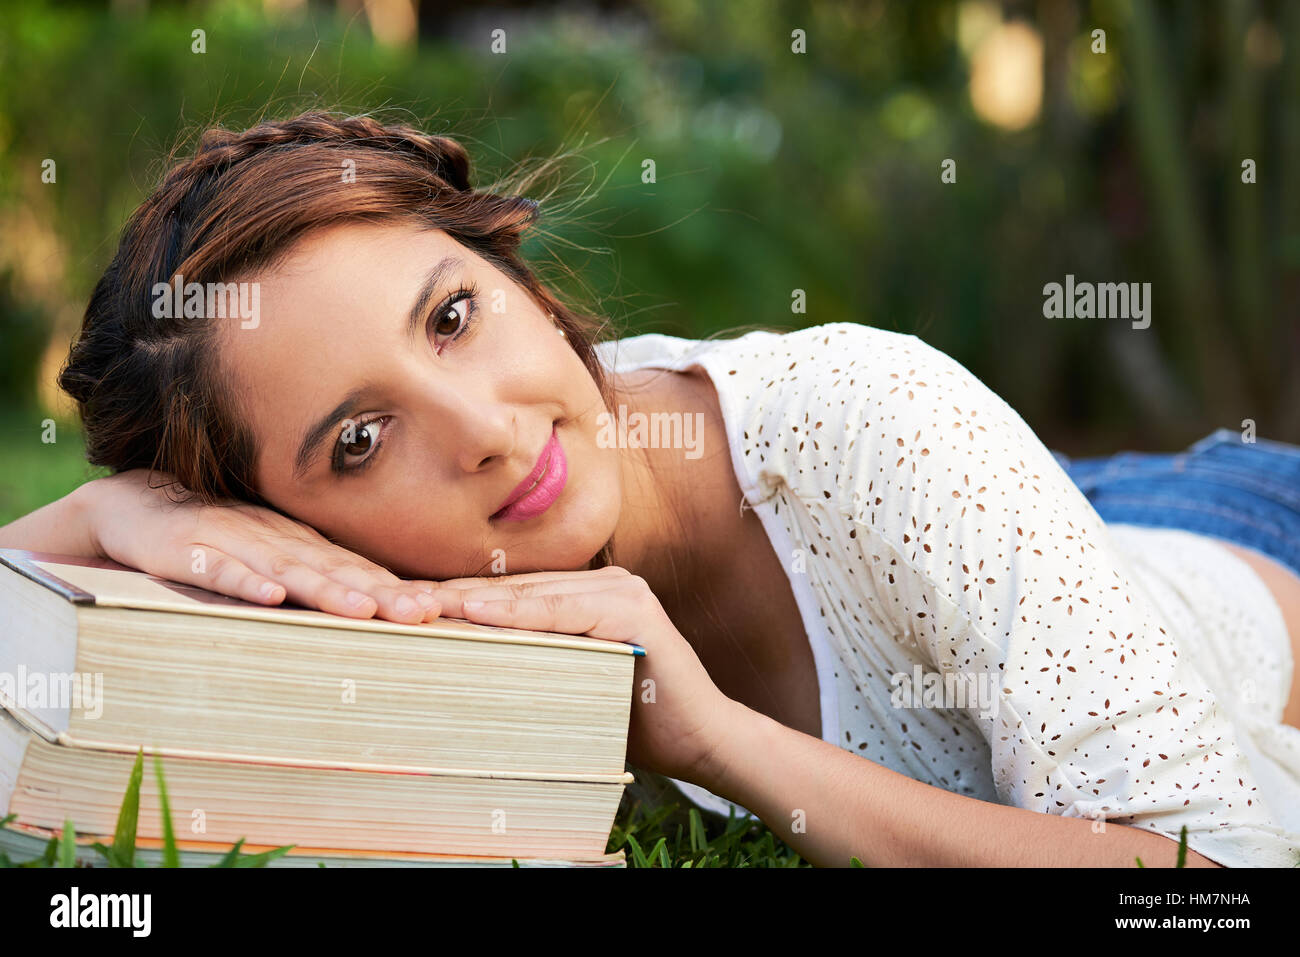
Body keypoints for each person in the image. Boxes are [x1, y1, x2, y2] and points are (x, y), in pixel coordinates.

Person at [3, 111, 1298, 867]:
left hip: (1236, 540)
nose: (487, 432)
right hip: (1032, 539)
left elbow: (1197, 879)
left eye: (452, 317)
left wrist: (711, 737)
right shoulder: (383, 592)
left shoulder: (872, 424)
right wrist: (110, 514)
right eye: (358, 441)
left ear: (515, 275)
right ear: (286, 524)